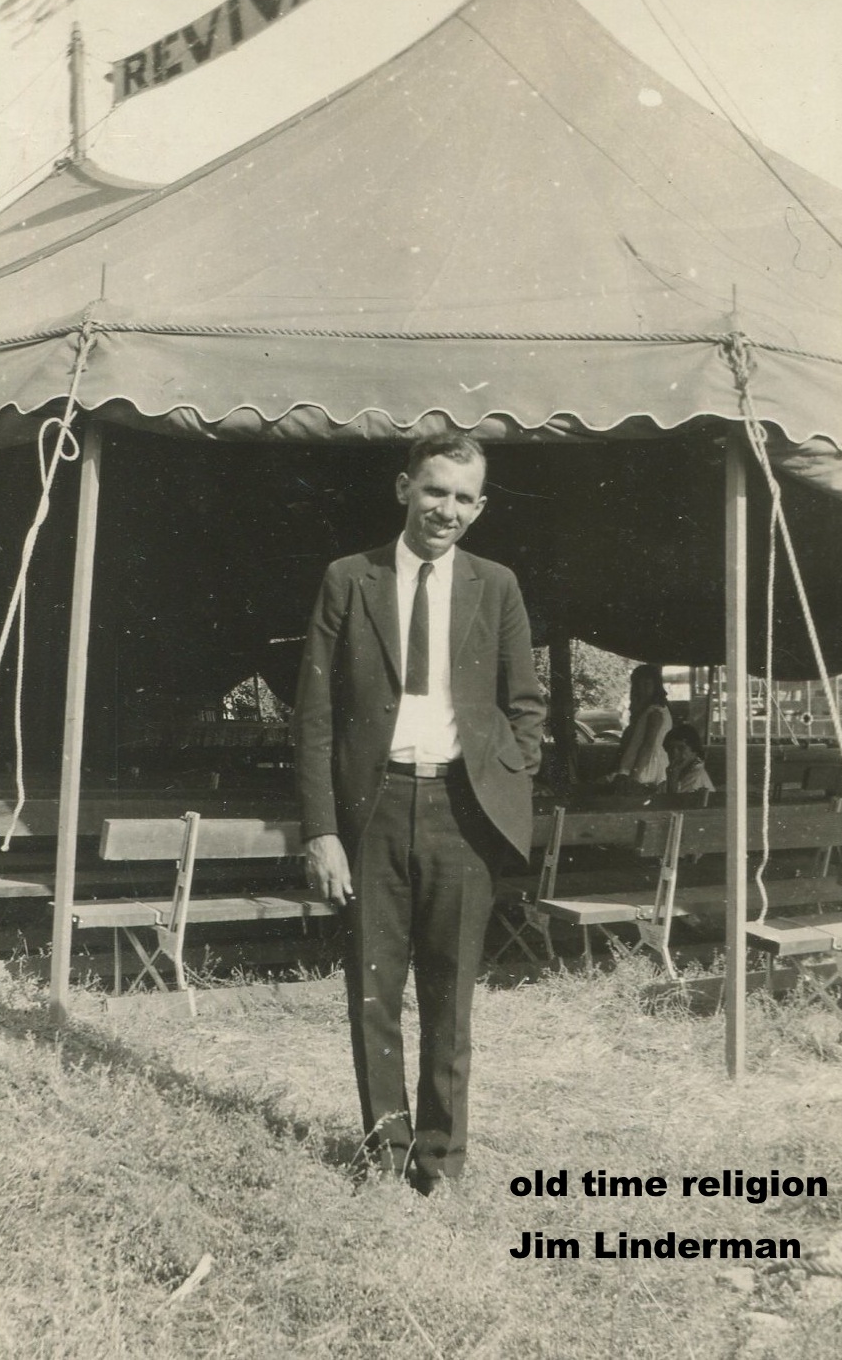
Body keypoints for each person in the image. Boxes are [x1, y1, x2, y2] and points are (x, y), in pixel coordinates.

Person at [293, 433, 546, 1194]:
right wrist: (322, 829)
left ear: (481, 506)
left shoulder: (494, 584)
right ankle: (383, 1152)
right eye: (435, 490)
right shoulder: (349, 578)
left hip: (460, 813)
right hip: (373, 810)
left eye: (464, 497)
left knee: (451, 992)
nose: (448, 509)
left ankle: (439, 1160)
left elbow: (525, 703)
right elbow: (314, 713)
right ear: (405, 487)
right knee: (373, 992)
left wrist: (503, 783)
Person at [610, 663, 673, 791]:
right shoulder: (650, 710)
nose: (642, 690)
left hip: (646, 767)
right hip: (644, 764)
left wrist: (635, 775)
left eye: (647, 684)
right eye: (638, 685)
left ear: (656, 686)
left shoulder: (655, 712)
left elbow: (648, 745)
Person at [664, 722, 715, 796]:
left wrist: (672, 780)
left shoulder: (696, 777)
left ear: (694, 750)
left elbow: (675, 804)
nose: (674, 754)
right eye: (670, 748)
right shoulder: (681, 770)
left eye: (681, 748)